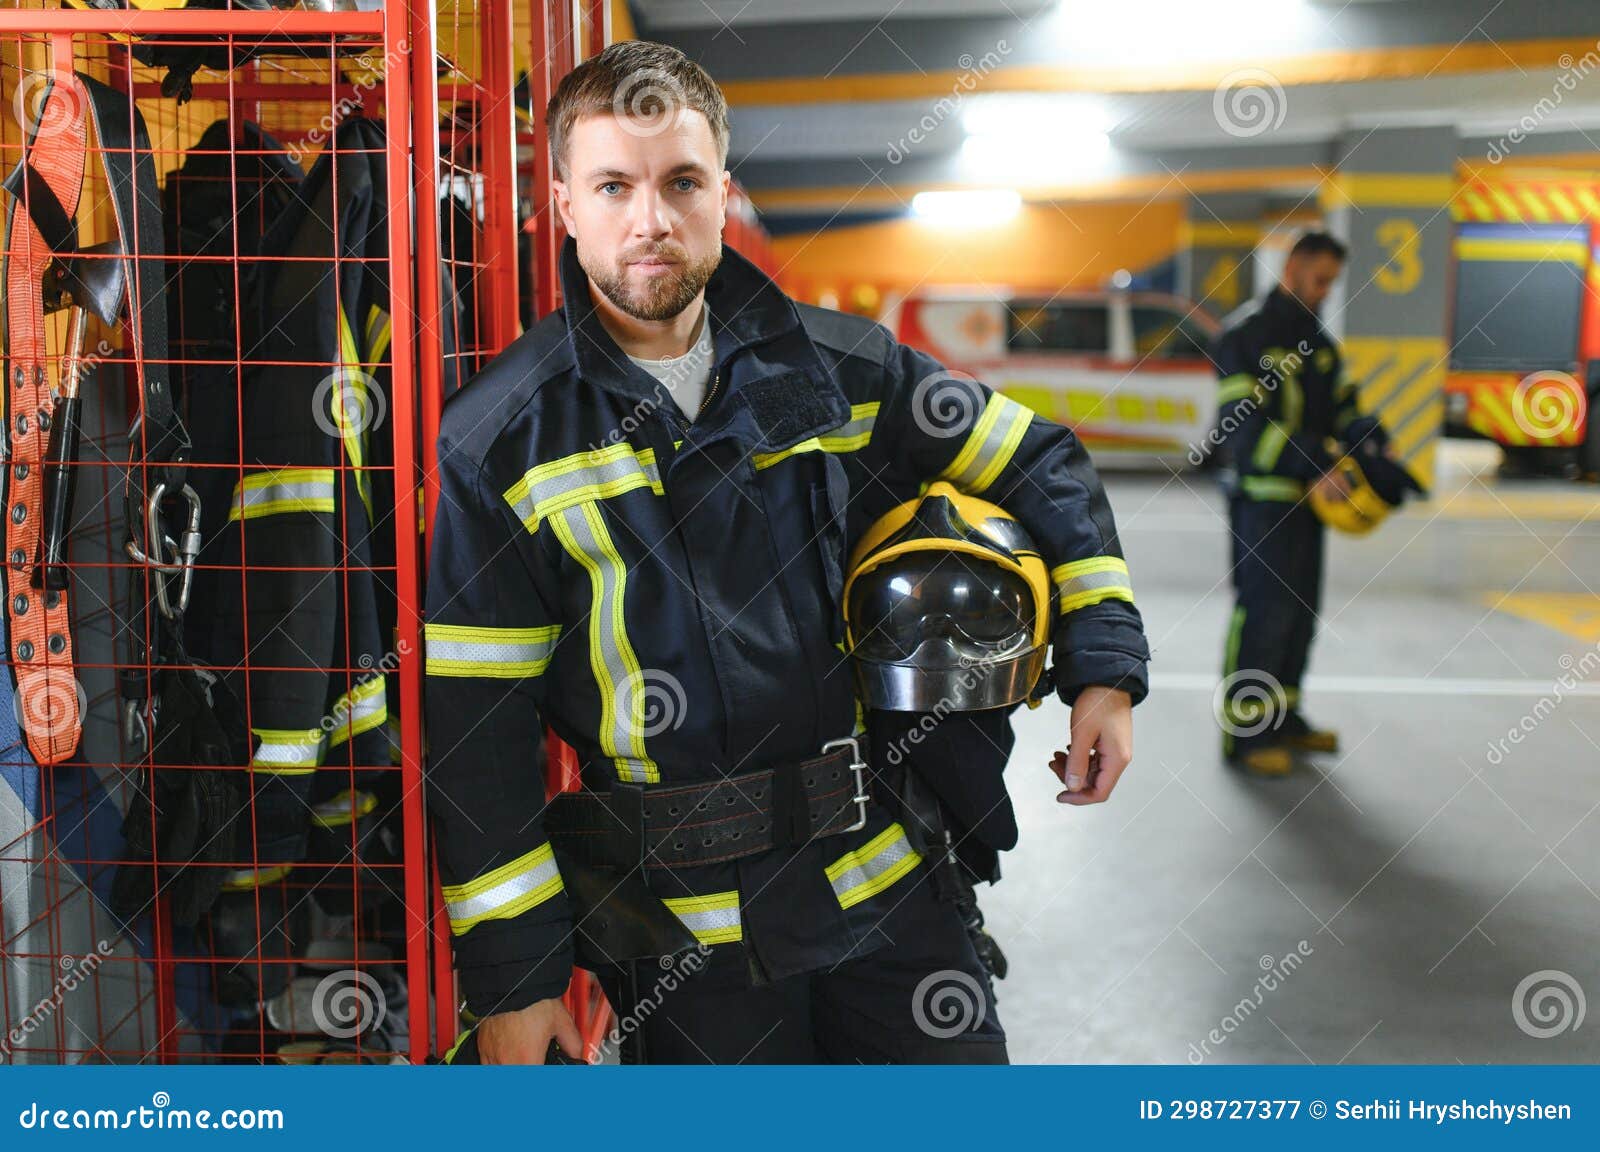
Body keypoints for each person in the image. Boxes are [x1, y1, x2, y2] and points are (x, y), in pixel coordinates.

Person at [422, 39, 1150, 1064]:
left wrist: (1103, 673)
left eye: (680, 183)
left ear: (722, 192)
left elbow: (1040, 460)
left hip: (892, 901)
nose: (650, 220)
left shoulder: (846, 369)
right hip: (686, 958)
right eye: (614, 185)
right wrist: (518, 983)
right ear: (564, 203)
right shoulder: (498, 441)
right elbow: (475, 734)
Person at [1209, 230, 1371, 775]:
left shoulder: (1319, 343)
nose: (1326, 291)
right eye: (1321, 279)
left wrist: (1375, 446)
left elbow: (1344, 410)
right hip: (1262, 506)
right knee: (1263, 615)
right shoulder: (1245, 337)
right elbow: (1245, 429)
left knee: (1300, 616)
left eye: (1332, 282)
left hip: (1308, 507)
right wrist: (1316, 464)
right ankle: (1246, 735)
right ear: (1293, 267)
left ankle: (1285, 718)